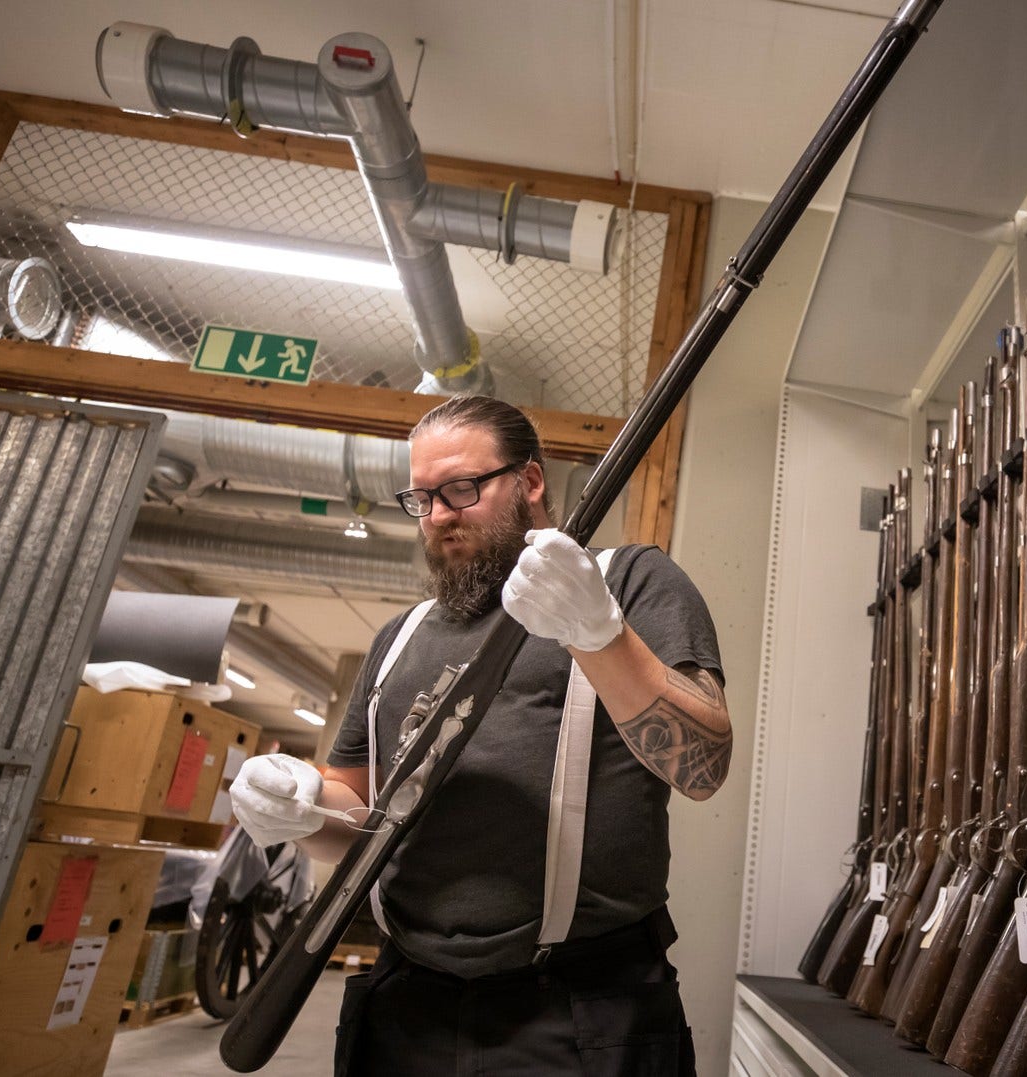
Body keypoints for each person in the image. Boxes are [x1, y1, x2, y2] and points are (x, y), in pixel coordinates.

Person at [228, 395, 732, 1076]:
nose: (438, 515)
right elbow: (357, 814)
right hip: (402, 1005)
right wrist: (301, 803)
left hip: (581, 1010)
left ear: (529, 481)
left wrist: (600, 635)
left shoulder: (631, 584)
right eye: (422, 497)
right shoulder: (398, 637)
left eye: (461, 488)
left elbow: (704, 766)